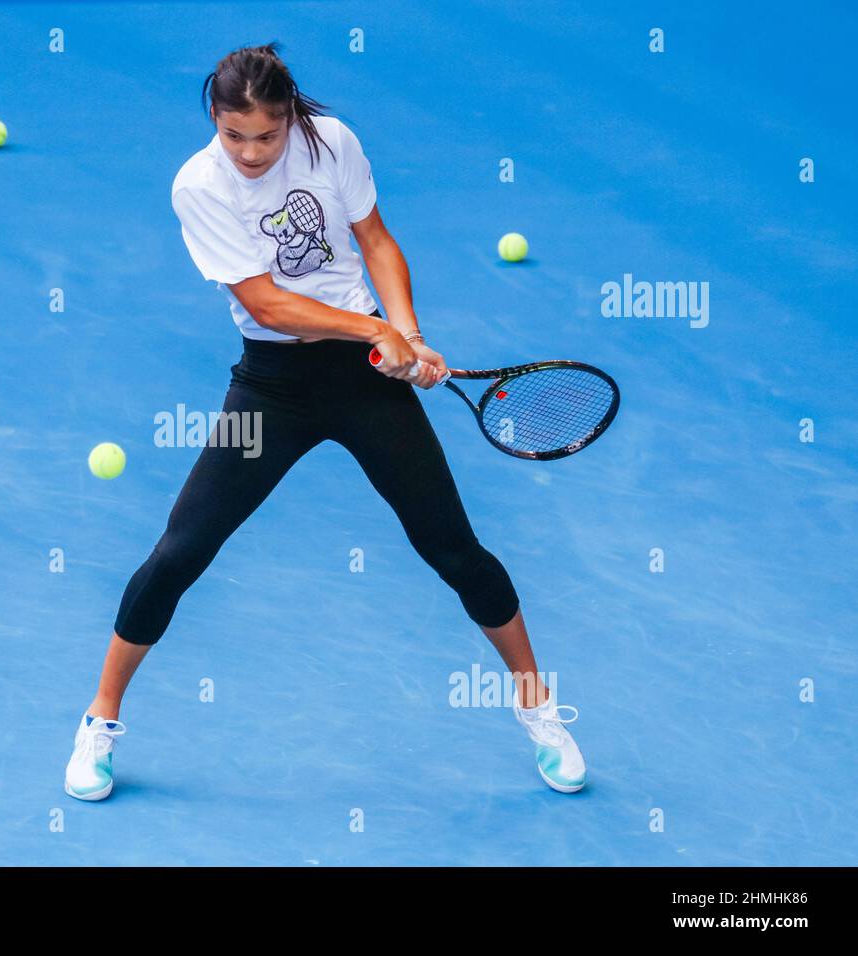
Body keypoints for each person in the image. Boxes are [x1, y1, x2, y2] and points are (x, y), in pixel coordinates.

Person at [65, 42, 585, 802]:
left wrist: (404, 332)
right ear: (214, 118)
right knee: (182, 549)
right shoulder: (198, 185)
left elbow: (375, 241)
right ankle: (99, 723)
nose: (249, 151)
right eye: (233, 133)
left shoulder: (331, 142)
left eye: (266, 136)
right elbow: (268, 304)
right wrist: (376, 332)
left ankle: (539, 708)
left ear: (291, 120)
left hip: (364, 378)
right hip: (272, 386)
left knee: (452, 546)